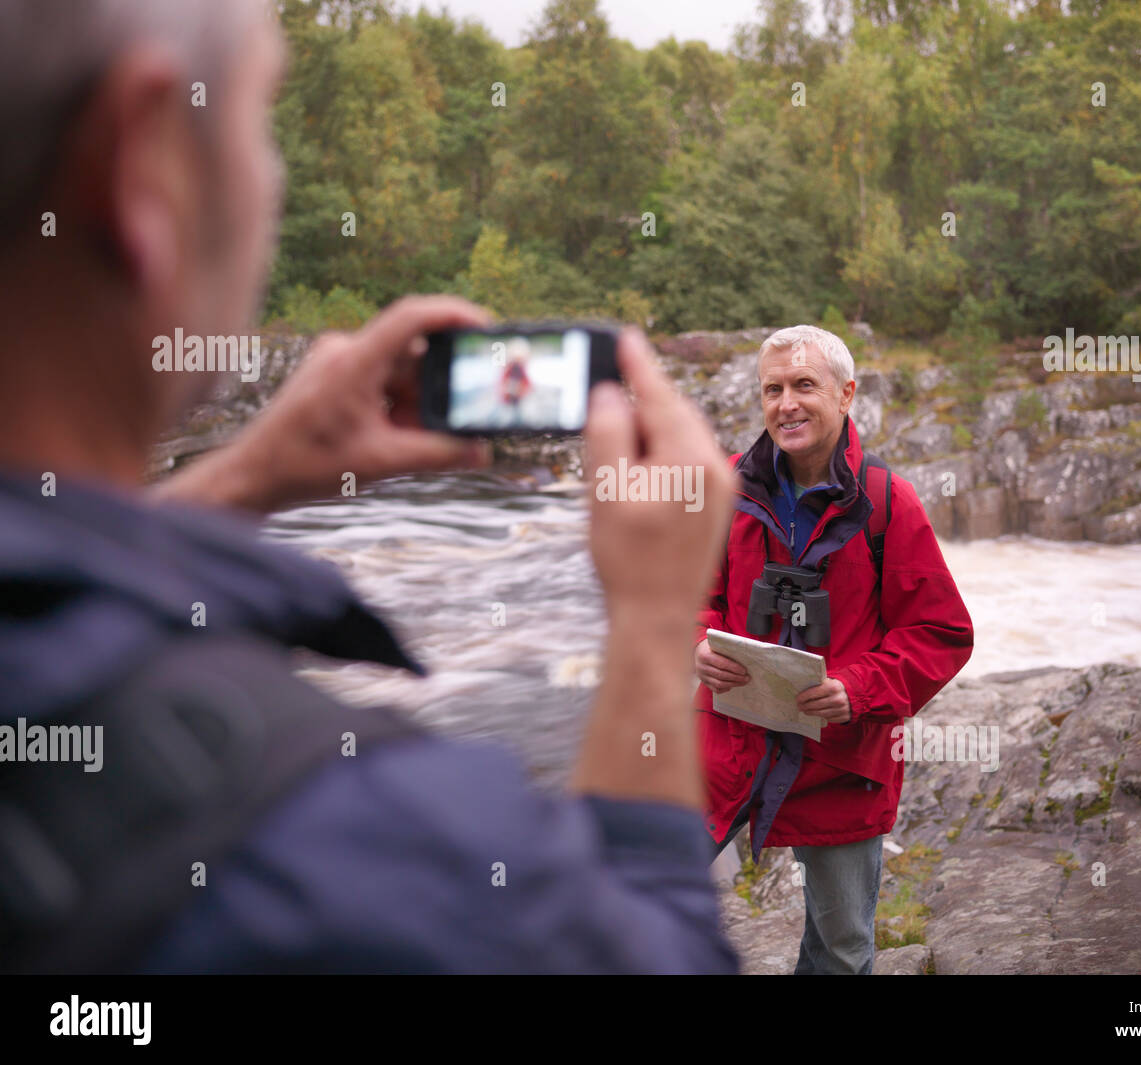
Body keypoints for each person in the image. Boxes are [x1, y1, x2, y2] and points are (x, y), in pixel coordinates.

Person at [0, 0, 738, 974]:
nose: (274, 175)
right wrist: (649, 625)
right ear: (142, 172)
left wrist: (241, 480)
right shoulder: (374, 850)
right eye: (262, 119)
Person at [693, 325, 974, 975]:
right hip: (727, 741)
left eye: (803, 385)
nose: (785, 403)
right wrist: (698, 641)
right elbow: (686, 592)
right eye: (772, 389)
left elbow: (942, 631)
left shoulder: (887, 501)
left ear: (847, 394)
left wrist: (860, 687)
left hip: (842, 759)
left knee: (843, 948)